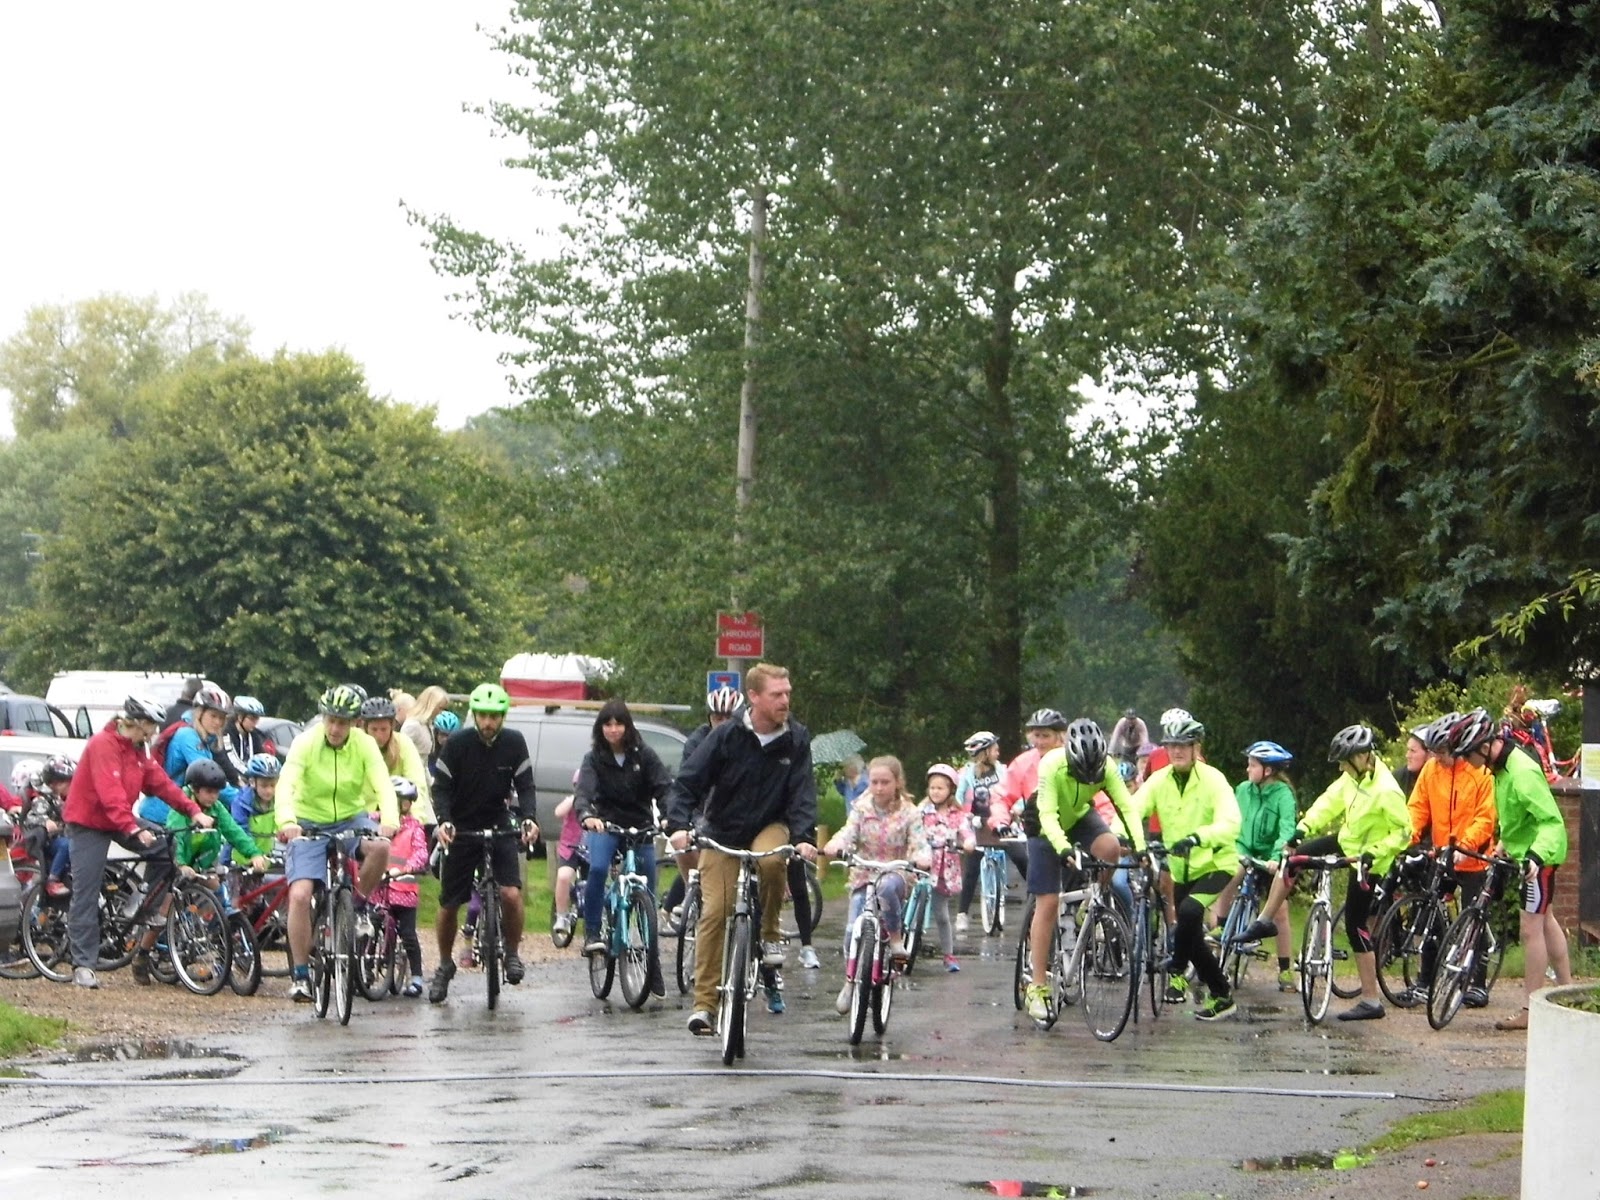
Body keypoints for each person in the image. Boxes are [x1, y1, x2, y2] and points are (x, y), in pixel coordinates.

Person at [666, 662, 818, 1037]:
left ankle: (768, 935)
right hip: (724, 830)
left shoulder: (796, 738)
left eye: (787, 693)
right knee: (714, 912)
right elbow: (687, 783)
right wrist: (679, 826)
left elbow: (802, 793)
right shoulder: (727, 735)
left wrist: (803, 836)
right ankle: (704, 1005)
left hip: (771, 824)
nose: (785, 700)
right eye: (776, 694)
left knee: (771, 863)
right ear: (754, 697)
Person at [1233, 723, 1411, 1021]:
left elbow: (1404, 833)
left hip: (1370, 860)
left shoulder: (1386, 790)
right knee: (1293, 859)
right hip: (1347, 842)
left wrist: (1373, 854)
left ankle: (1371, 1001)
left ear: (1362, 757)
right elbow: (1326, 804)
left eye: (1344, 760)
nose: (1341, 766)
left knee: (1356, 925)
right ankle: (1265, 920)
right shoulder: (1350, 779)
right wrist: (1301, 831)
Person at [63, 695, 213, 988]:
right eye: (151, 726)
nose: (154, 732)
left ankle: (145, 908)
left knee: (164, 847)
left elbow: (160, 783)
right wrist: (133, 829)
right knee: (87, 891)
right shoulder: (102, 745)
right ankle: (83, 965)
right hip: (88, 823)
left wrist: (193, 810)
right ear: (137, 723)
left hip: (118, 819)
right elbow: (110, 795)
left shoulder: (138, 749)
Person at [275, 684, 399, 1004]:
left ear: (355, 723)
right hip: (308, 821)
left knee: (381, 848)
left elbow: (382, 783)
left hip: (349, 818)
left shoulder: (364, 745)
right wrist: (288, 822)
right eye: (330, 719)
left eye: (342, 722)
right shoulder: (306, 743)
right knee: (300, 895)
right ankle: (301, 975)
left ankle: (357, 908)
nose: (334, 728)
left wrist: (390, 820)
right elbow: (287, 783)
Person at [1454, 714, 1574, 1031]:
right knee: (1545, 922)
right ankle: (1569, 992)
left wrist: (1536, 855)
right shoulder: (1500, 768)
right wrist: (1504, 843)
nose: (1466, 761)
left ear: (1483, 746)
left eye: (1468, 754)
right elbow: (1518, 816)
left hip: (1541, 856)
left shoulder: (1521, 772)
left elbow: (1551, 822)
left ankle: (1531, 1009)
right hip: (1527, 852)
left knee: (1530, 929)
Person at [1024, 718, 1145, 1020]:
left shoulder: (1107, 767)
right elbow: (1049, 815)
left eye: (1094, 774)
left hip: (1079, 816)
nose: (1090, 778)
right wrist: (1063, 848)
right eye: (1083, 773)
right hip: (1044, 824)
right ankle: (1037, 987)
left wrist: (1140, 848)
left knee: (1111, 848)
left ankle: (1093, 901)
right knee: (1048, 902)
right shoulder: (1052, 764)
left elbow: (1126, 807)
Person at [427, 683, 539, 1004]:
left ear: (502, 717)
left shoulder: (514, 742)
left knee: (511, 893)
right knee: (449, 903)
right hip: (461, 826)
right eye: (483, 716)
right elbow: (442, 789)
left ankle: (513, 953)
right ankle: (445, 964)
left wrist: (528, 817)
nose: (488, 722)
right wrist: (445, 821)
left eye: (494, 716)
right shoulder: (458, 744)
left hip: (498, 822)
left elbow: (526, 785)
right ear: (474, 715)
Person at [1132, 712, 1241, 1020]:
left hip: (1216, 863)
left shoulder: (1213, 779)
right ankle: (1222, 995)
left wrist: (1198, 837)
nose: (1177, 751)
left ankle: (1177, 965)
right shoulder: (1159, 780)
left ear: (1196, 748)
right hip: (1182, 869)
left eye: (1184, 745)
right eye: (1171, 746)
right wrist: (1117, 837)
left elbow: (1232, 822)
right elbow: (1132, 810)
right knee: (1193, 939)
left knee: (1191, 913)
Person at [575, 698, 671, 998]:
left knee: (649, 888)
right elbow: (584, 793)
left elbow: (664, 787)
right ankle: (593, 932)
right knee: (600, 868)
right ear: (600, 727)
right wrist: (588, 816)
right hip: (606, 824)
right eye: (608, 723)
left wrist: (669, 817)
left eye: (619, 723)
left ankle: (650, 961)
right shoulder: (594, 759)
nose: (613, 729)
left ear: (628, 726)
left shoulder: (644, 755)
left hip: (640, 826)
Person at [822, 755, 932, 1012]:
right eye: (875, 782)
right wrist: (837, 845)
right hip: (864, 872)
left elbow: (919, 842)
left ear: (897, 782)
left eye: (885, 782)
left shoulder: (910, 812)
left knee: (886, 888)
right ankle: (850, 982)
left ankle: (895, 940)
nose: (879, 788)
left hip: (896, 872)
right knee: (852, 928)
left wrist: (921, 857)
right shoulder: (861, 807)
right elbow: (848, 832)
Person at [1403, 710, 1497, 1007]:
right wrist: (1408, 838)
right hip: (1442, 854)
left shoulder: (1480, 772)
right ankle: (1425, 980)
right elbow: (1418, 808)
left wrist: (1465, 846)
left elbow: (1485, 818)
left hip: (1474, 856)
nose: (1438, 757)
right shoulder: (1432, 770)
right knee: (1429, 909)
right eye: (1435, 752)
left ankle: (1477, 984)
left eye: (1442, 752)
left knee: (1473, 916)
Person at [1212, 741, 1298, 992]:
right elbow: (1230, 819)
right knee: (1231, 872)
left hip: (1269, 857)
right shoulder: (1242, 790)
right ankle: (1220, 925)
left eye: (1252, 765)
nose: (1247, 770)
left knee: (1280, 911)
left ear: (1267, 771)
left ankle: (1285, 972)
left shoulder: (1283, 795)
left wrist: (1276, 857)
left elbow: (1287, 829)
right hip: (1242, 848)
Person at [661, 686, 741, 932]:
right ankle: (693, 890)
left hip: (738, 811)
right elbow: (687, 783)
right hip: (703, 809)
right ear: (709, 718)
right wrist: (678, 822)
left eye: (729, 718)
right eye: (718, 718)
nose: (723, 723)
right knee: (681, 843)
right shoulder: (697, 742)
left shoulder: (749, 740)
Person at [955, 730, 1024, 933]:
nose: (998, 751)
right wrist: (962, 815)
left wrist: (1018, 807)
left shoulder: (1003, 770)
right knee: (972, 864)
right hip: (979, 822)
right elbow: (959, 799)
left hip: (1003, 820)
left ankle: (1037, 895)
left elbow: (1015, 792)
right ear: (984, 752)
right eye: (994, 748)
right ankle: (962, 913)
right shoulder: (968, 773)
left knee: (1020, 855)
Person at [919, 763, 976, 971]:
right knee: (903, 900)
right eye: (932, 787)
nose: (935, 792)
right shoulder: (922, 812)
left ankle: (949, 955)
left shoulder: (957, 815)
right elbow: (912, 829)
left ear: (950, 790)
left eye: (940, 788)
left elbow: (966, 832)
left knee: (942, 914)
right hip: (921, 864)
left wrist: (969, 842)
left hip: (944, 870)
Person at [386, 776, 432, 997]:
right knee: (370, 927)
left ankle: (416, 976)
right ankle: (366, 969)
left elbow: (421, 852)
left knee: (408, 934)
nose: (403, 805)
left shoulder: (414, 828)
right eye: (399, 800)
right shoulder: (378, 823)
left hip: (404, 891)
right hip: (381, 890)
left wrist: (407, 868)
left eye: (406, 801)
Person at [359, 695, 437, 825]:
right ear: (365, 727)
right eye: (374, 729)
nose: (379, 735)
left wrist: (416, 820)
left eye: (384, 729)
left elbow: (417, 782)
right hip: (362, 816)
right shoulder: (357, 744)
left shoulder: (403, 743)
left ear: (392, 726)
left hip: (399, 816)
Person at [164, 684, 239, 789]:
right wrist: (240, 799)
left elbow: (226, 768)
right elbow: (209, 777)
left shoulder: (208, 739)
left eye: (221, 718)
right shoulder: (188, 736)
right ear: (199, 714)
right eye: (213, 716)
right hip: (166, 802)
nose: (217, 722)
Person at [21, 757, 74, 898]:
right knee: (66, 846)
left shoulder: (56, 799)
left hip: (60, 835)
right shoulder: (41, 800)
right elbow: (31, 817)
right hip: (48, 840)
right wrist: (45, 821)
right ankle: (53, 879)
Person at [230, 753, 282, 863]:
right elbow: (240, 834)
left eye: (273, 785)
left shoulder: (279, 801)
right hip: (240, 861)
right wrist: (254, 855)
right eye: (264, 785)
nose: (269, 791)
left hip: (263, 859)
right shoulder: (241, 803)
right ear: (252, 782)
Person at [551, 786, 586, 939]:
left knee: (593, 883)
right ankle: (561, 916)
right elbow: (558, 812)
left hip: (591, 847)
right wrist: (573, 799)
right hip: (570, 846)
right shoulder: (571, 800)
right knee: (564, 876)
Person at [222, 696, 269, 779]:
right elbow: (232, 760)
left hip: (249, 779)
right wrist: (250, 773)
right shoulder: (227, 733)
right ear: (240, 717)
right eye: (251, 719)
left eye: (257, 719)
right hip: (232, 778)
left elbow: (260, 756)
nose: (255, 723)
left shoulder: (254, 735)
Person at [406, 685, 451, 764]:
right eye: (440, 708)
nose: (442, 712)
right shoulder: (413, 725)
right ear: (431, 705)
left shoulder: (428, 725)